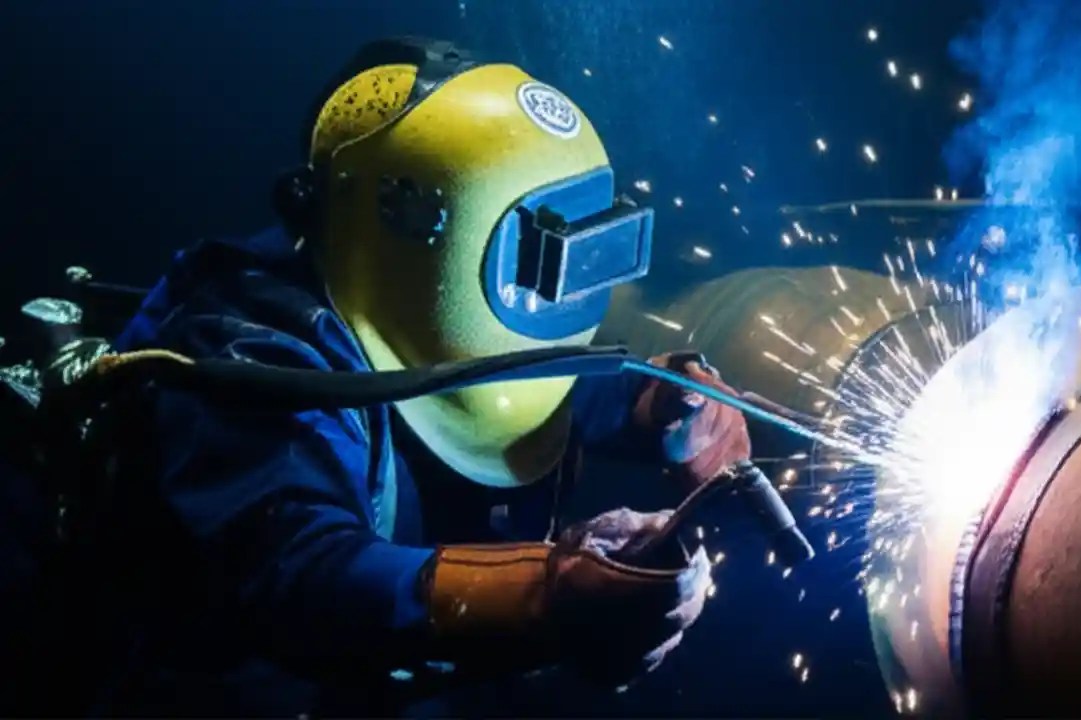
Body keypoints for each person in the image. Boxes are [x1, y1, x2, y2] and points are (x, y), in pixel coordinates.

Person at [83, 37, 751, 716]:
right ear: (429, 238)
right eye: (545, 262)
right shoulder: (252, 360)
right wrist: (542, 593)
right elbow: (301, 572)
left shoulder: (453, 322)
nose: (564, 292)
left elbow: (545, 385)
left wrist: (668, 404)